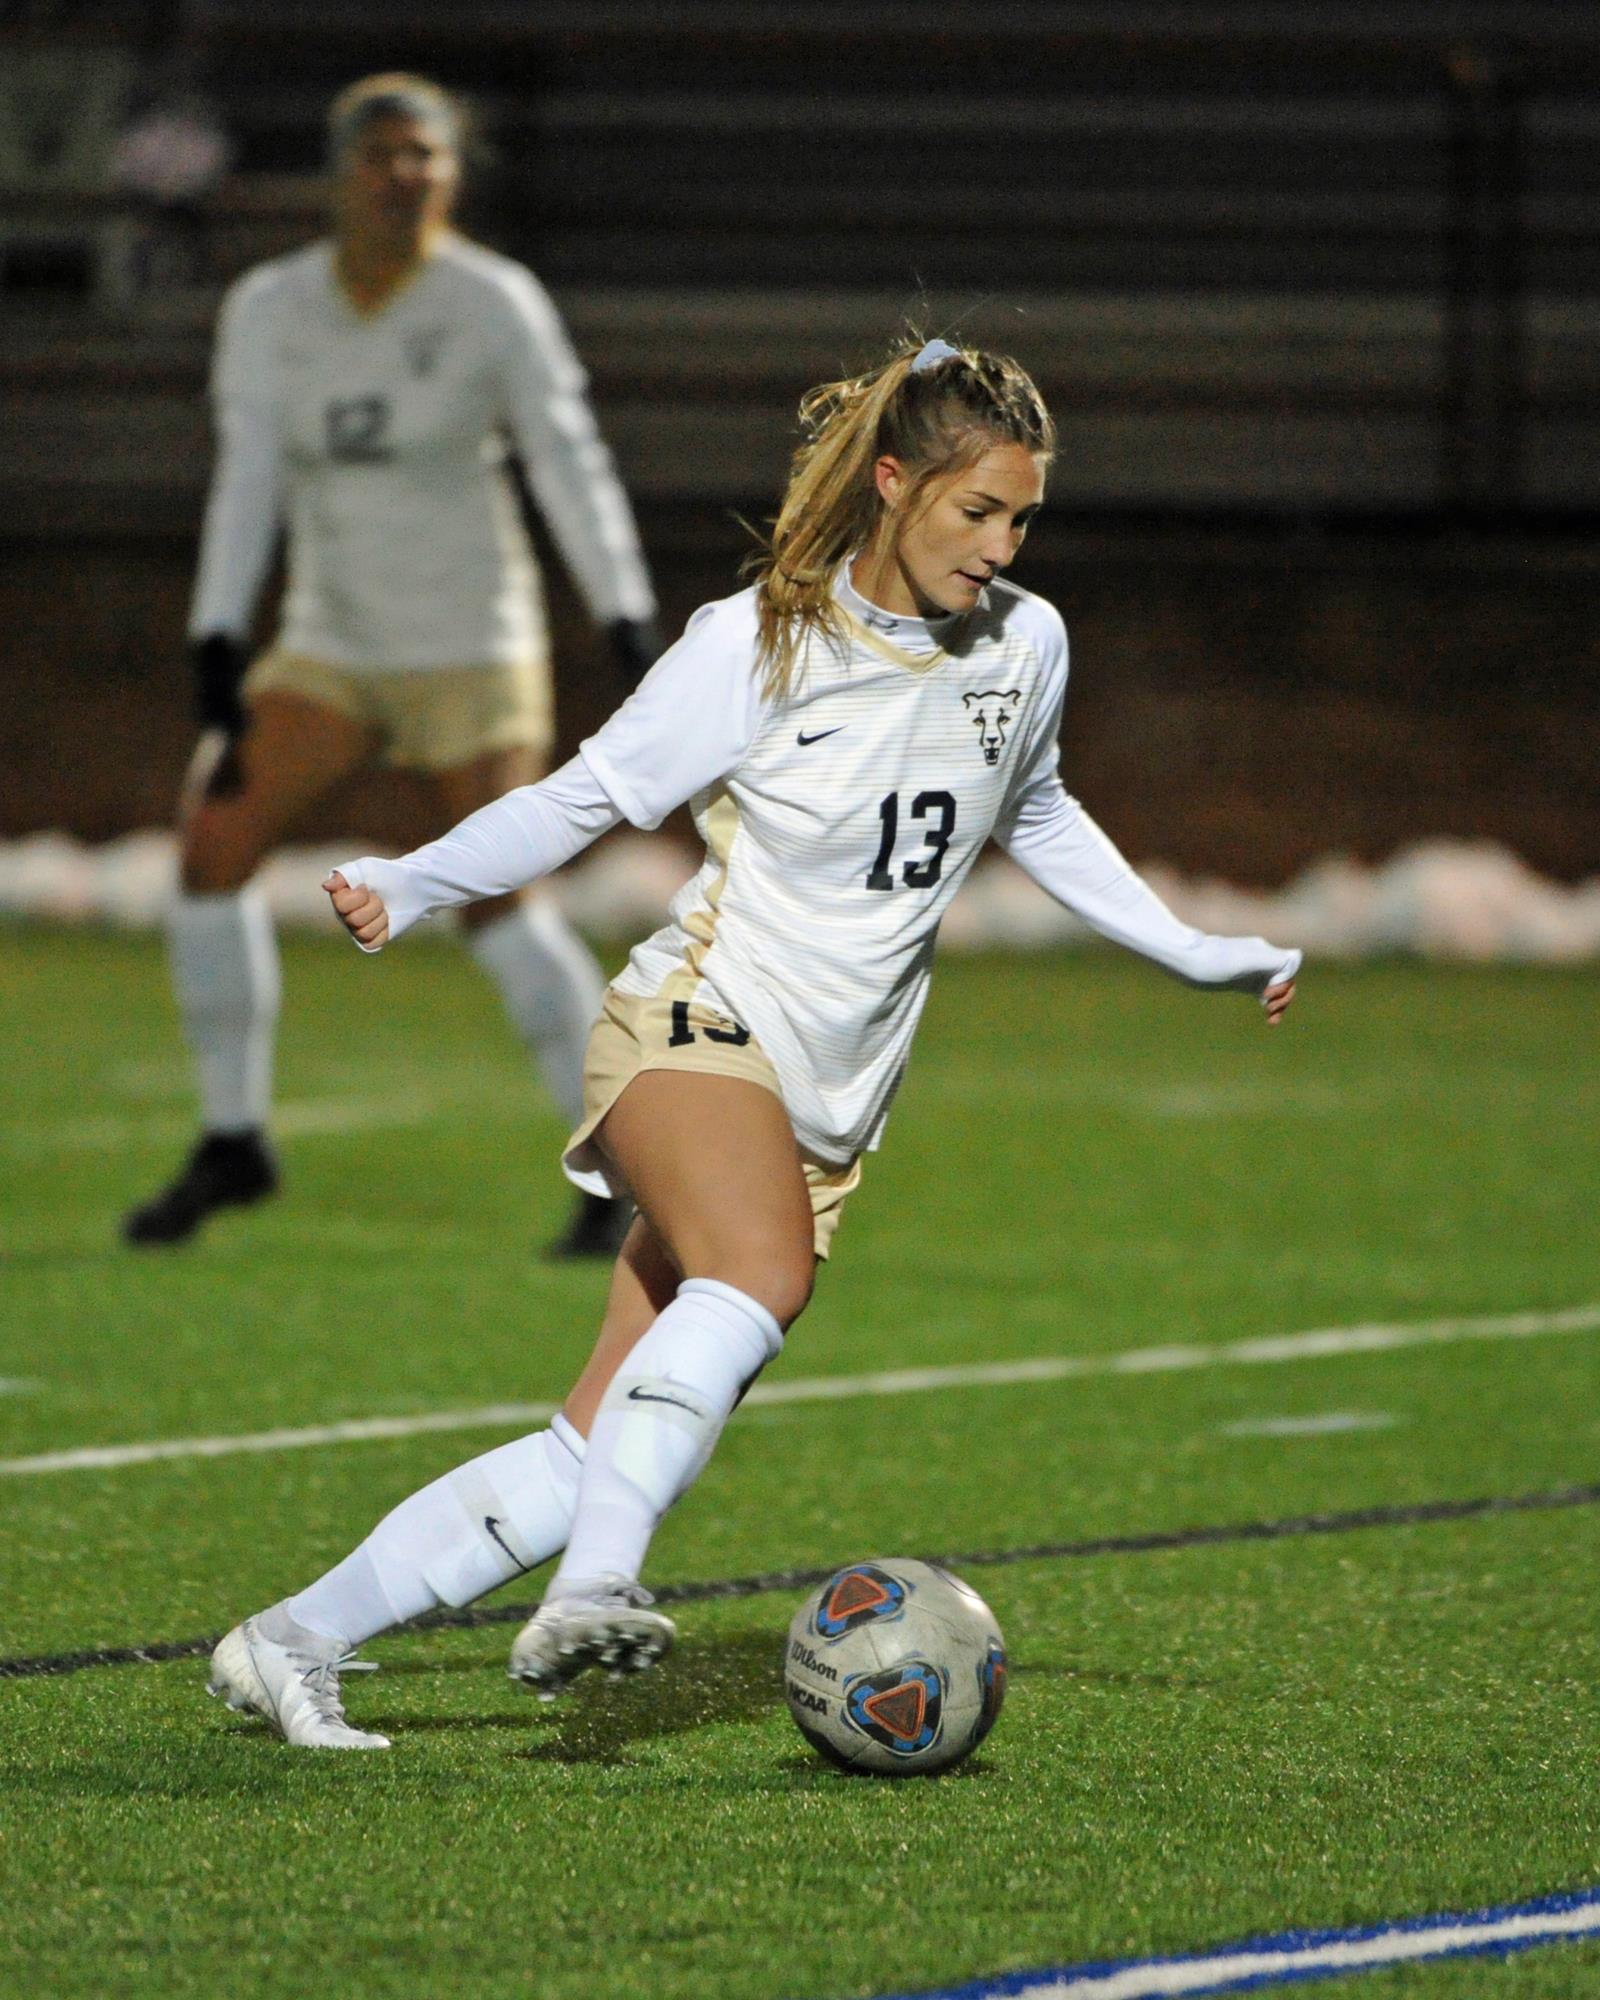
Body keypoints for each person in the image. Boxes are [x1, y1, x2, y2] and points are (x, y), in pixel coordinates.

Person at [206, 334, 1301, 1749]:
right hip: (695, 1024)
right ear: (894, 484)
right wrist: (417, 880)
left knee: (589, 1444)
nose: (1003, 543)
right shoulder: (758, 643)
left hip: (828, 1103)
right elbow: (584, 796)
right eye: (978, 511)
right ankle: (598, 1584)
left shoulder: (1027, 643)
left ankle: (291, 1640)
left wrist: (1200, 952)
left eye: (1023, 518)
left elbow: (1037, 814)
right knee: (760, 1275)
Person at [123, 72, 659, 1260]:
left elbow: (566, 458)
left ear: (451, 173)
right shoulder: (270, 307)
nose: (406, 175)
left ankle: (619, 1163)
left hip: (471, 642)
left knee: (497, 901)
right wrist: (219, 631)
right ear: (342, 169)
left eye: (428, 156)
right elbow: (250, 473)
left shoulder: (491, 301)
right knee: (212, 848)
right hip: (332, 639)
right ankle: (232, 1137)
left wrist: (622, 609)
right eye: (385, 155)